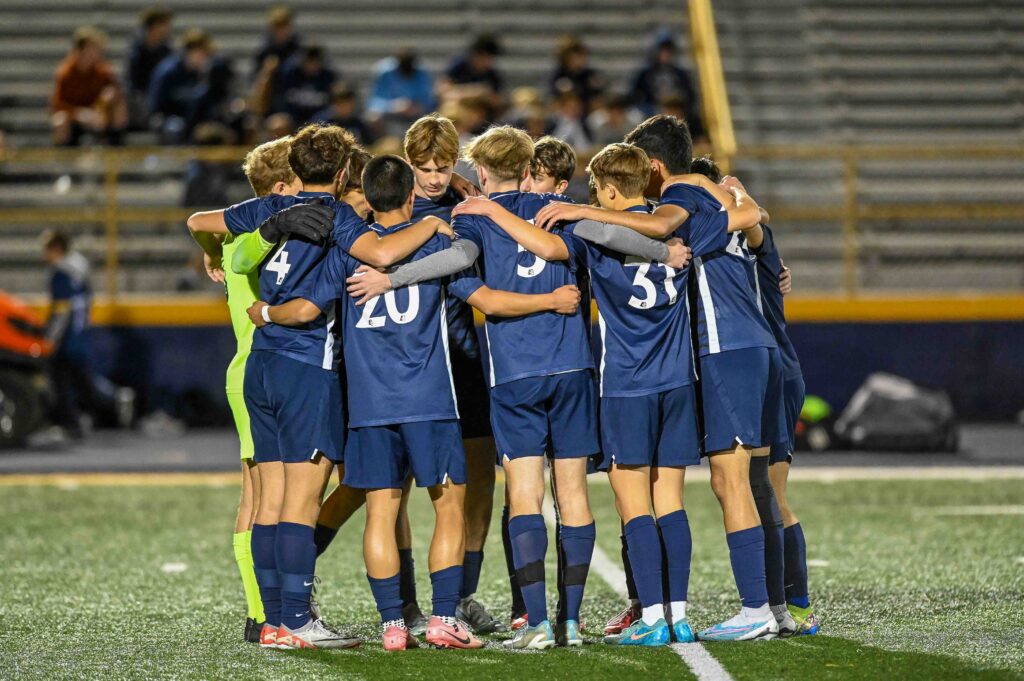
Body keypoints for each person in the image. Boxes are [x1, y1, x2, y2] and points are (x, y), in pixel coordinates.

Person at [247, 156, 576, 651]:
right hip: (429, 399)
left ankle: (392, 625)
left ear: (367, 197)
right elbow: (479, 287)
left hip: (369, 406)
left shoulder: (346, 251)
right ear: (410, 196)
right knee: (450, 507)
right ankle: (443, 617)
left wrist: (264, 312)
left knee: (381, 512)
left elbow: (308, 308)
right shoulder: (437, 241)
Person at [186, 123, 452, 650]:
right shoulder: (339, 218)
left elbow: (198, 221)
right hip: (306, 367)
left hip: (260, 366)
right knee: (301, 503)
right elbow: (380, 256)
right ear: (342, 171)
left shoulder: (269, 209)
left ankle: (271, 621)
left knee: (270, 501)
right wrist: (430, 224)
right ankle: (295, 619)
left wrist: (220, 251)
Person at [533, 115, 779, 642]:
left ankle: (653, 618)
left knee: (637, 505)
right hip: (678, 382)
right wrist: (736, 202)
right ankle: (680, 615)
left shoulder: (610, 227)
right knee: (675, 501)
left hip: (627, 384)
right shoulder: (688, 225)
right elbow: (745, 221)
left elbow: (559, 244)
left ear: (611, 188)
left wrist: (527, 210)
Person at [689, 155, 817, 636]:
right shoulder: (741, 235)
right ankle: (785, 608)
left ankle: (791, 608)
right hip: (775, 365)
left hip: (765, 366)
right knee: (765, 490)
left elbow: (754, 220)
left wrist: (741, 196)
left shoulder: (729, 233)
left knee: (769, 494)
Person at [192, 136, 302, 644]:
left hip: (245, 370)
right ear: (281, 187)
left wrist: (210, 251)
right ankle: (265, 612)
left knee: (255, 496)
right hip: (263, 369)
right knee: (268, 498)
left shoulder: (235, 236)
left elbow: (199, 223)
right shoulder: (271, 236)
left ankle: (263, 611)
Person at [42, 231, 93, 436]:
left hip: (66, 337)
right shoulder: (80, 271)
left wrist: (50, 339)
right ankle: (99, 414)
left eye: (47, 249)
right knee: (81, 381)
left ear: (56, 249)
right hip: (79, 334)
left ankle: (70, 423)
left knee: (60, 381)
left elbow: (61, 311)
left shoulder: (61, 274)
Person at [148, 29, 234, 143]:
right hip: (169, 116)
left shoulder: (204, 72)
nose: (205, 58)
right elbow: (157, 105)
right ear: (192, 51)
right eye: (203, 53)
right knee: (176, 127)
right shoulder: (168, 72)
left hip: (193, 117)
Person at [51, 27, 127, 146]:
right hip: (75, 119)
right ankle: (64, 153)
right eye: (91, 49)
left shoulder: (102, 71)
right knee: (60, 120)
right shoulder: (66, 73)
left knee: (117, 103)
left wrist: (100, 107)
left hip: (98, 116)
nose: (96, 53)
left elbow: (114, 91)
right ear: (80, 50)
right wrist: (78, 114)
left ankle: (115, 145)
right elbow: (57, 104)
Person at [629, 31, 704, 141]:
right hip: (652, 110)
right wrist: (649, 109)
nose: (666, 54)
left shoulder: (679, 73)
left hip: (676, 108)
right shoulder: (645, 73)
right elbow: (634, 95)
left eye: (668, 51)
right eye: (662, 50)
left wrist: (678, 107)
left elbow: (689, 95)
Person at [124, 6, 174, 129]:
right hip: (140, 98)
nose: (168, 29)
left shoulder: (166, 51)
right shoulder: (137, 51)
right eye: (165, 25)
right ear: (154, 26)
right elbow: (132, 81)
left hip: (159, 98)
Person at [367, 49, 435, 134]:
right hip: (390, 113)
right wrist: (394, 106)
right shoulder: (384, 72)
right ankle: (383, 142)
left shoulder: (422, 73)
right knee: (373, 117)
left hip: (416, 114)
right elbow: (374, 102)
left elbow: (428, 101)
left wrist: (416, 107)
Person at [438, 34, 504, 120]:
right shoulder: (459, 68)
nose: (488, 62)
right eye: (484, 56)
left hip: (482, 119)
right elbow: (443, 91)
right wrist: (474, 92)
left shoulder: (492, 75)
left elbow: (497, 101)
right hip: (457, 115)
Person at [277, 45, 336, 126]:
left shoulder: (328, 77)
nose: (312, 65)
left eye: (315, 61)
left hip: (319, 119)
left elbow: (332, 105)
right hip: (293, 118)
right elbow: (281, 98)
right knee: (279, 124)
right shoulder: (291, 74)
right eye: (309, 61)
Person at [549, 35, 605, 115]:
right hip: (565, 115)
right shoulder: (558, 76)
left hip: (588, 114)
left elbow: (599, 97)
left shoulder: (590, 75)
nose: (581, 59)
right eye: (576, 55)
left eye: (582, 55)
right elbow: (554, 100)